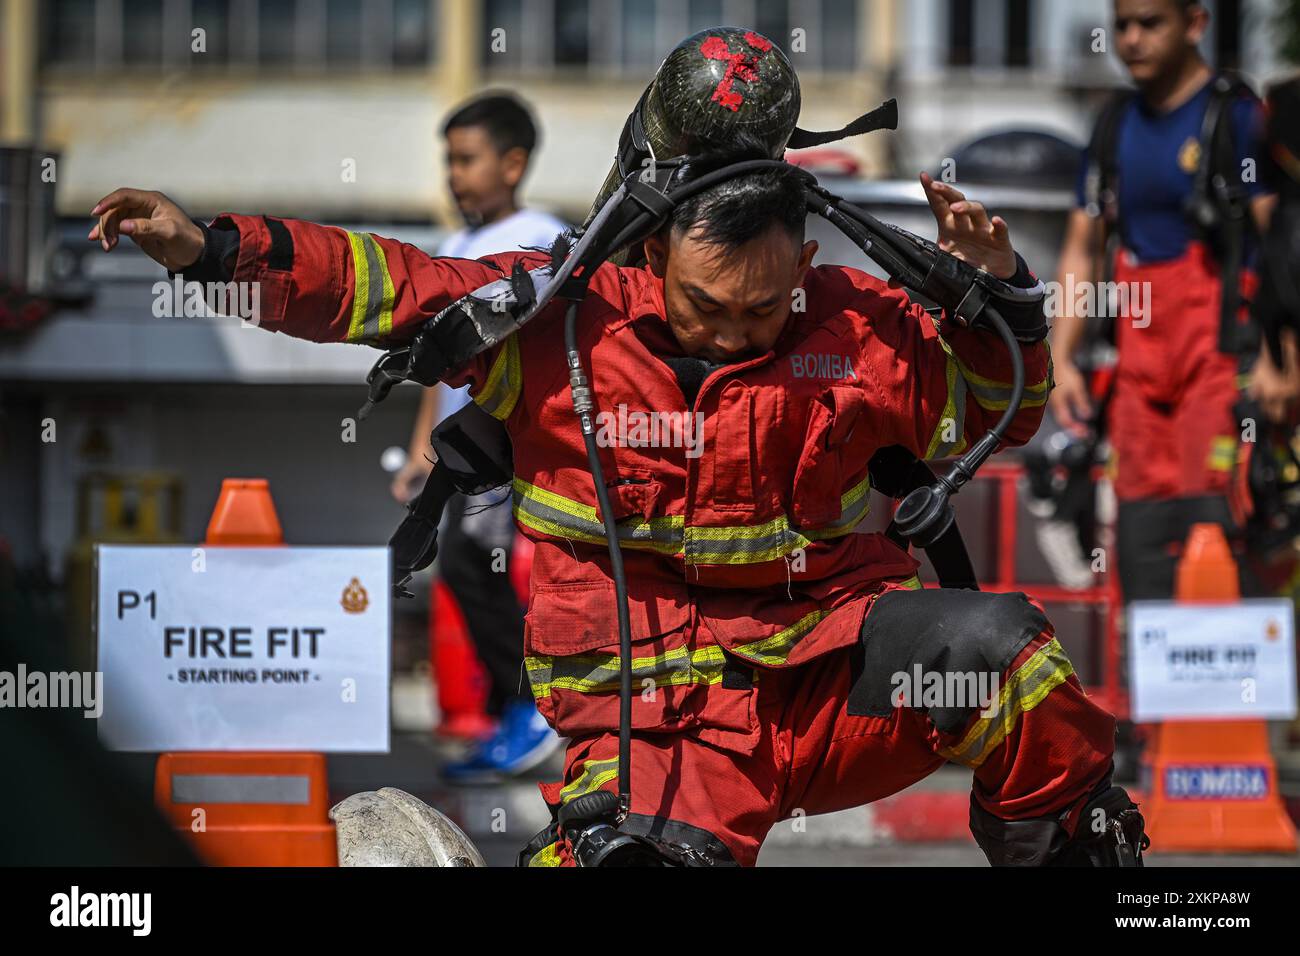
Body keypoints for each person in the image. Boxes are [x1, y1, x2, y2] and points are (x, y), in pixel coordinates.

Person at [88, 28, 1142, 868]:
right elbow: (383, 284)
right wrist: (214, 249)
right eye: (709, 309)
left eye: (765, 310)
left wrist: (991, 295)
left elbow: (1006, 414)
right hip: (659, 736)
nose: (738, 332)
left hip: (829, 693)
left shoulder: (854, 326)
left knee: (1010, 661)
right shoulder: (552, 325)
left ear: (804, 262)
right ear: (649, 251)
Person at [1049, 0, 1279, 602]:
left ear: (1196, 23)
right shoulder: (1112, 124)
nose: (1131, 39)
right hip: (1139, 366)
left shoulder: (1236, 117)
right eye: (1122, 25)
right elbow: (1082, 246)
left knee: (1222, 514)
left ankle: (1236, 691)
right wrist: (1062, 356)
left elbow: (1279, 244)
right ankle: (1150, 691)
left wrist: (1285, 360)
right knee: (1141, 527)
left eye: (1150, 23)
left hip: (1223, 359)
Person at [390, 92, 567, 784]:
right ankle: (513, 722)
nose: (454, 175)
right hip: (460, 455)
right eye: (449, 161)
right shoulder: (455, 250)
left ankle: (536, 709)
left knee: (474, 563)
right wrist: (419, 452)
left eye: (466, 160)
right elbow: (440, 374)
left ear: (513, 163)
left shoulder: (542, 238)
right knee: (461, 568)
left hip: (510, 449)